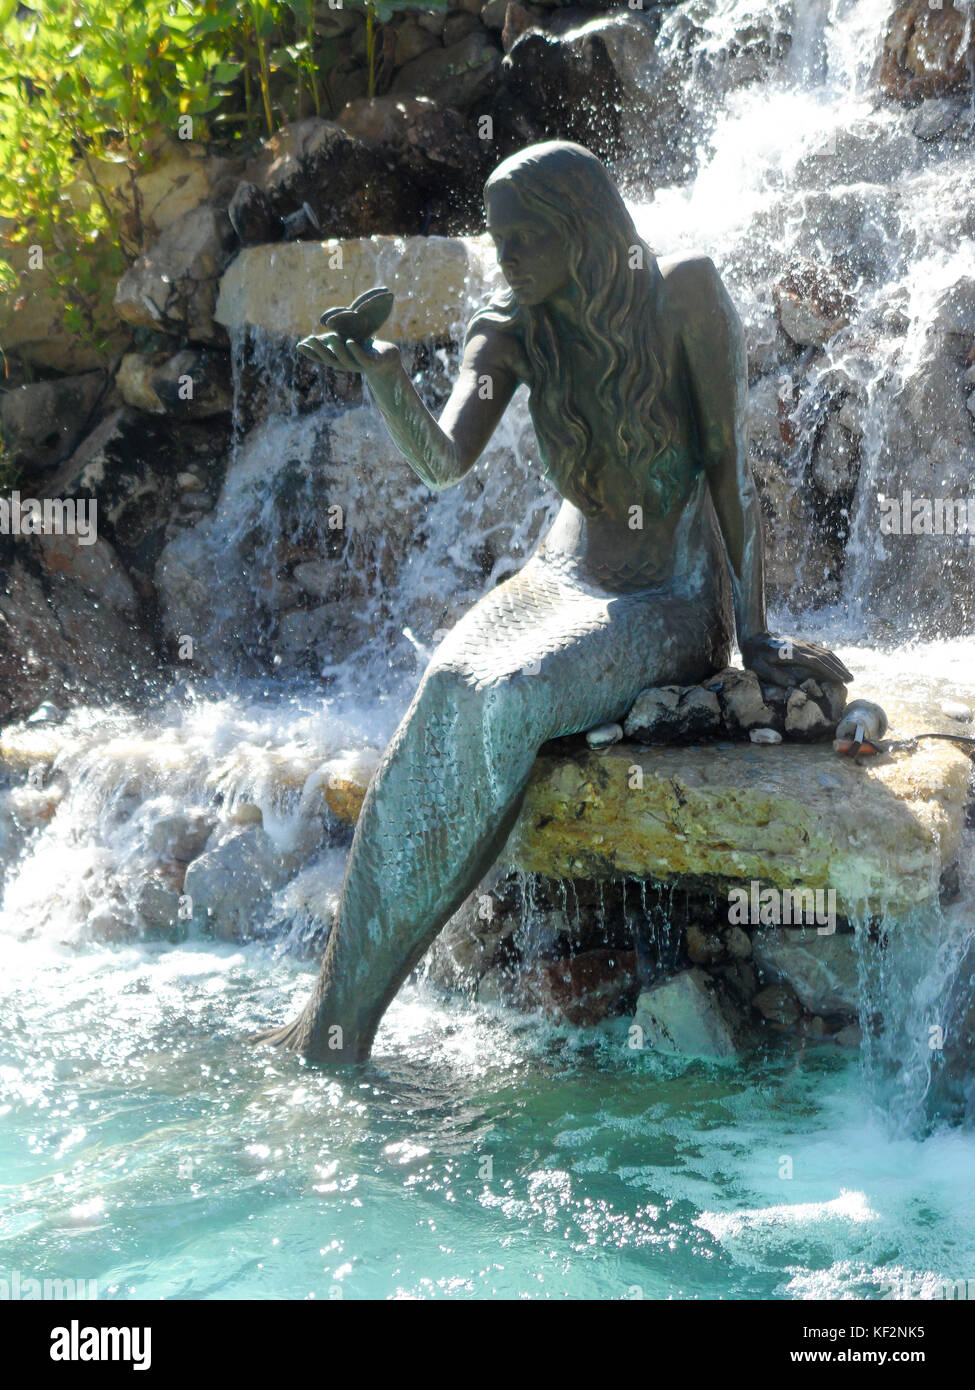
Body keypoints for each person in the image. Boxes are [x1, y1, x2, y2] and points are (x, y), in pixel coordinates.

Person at [255, 140, 851, 1064]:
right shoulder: (512, 327)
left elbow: (730, 473)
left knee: (508, 695)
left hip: (671, 592)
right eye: (500, 240)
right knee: (449, 682)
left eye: (529, 235)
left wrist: (757, 634)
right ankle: (335, 1017)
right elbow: (443, 461)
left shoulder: (684, 294)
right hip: (558, 575)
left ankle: (346, 1022)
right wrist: (383, 377)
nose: (511, 256)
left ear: (586, 227)